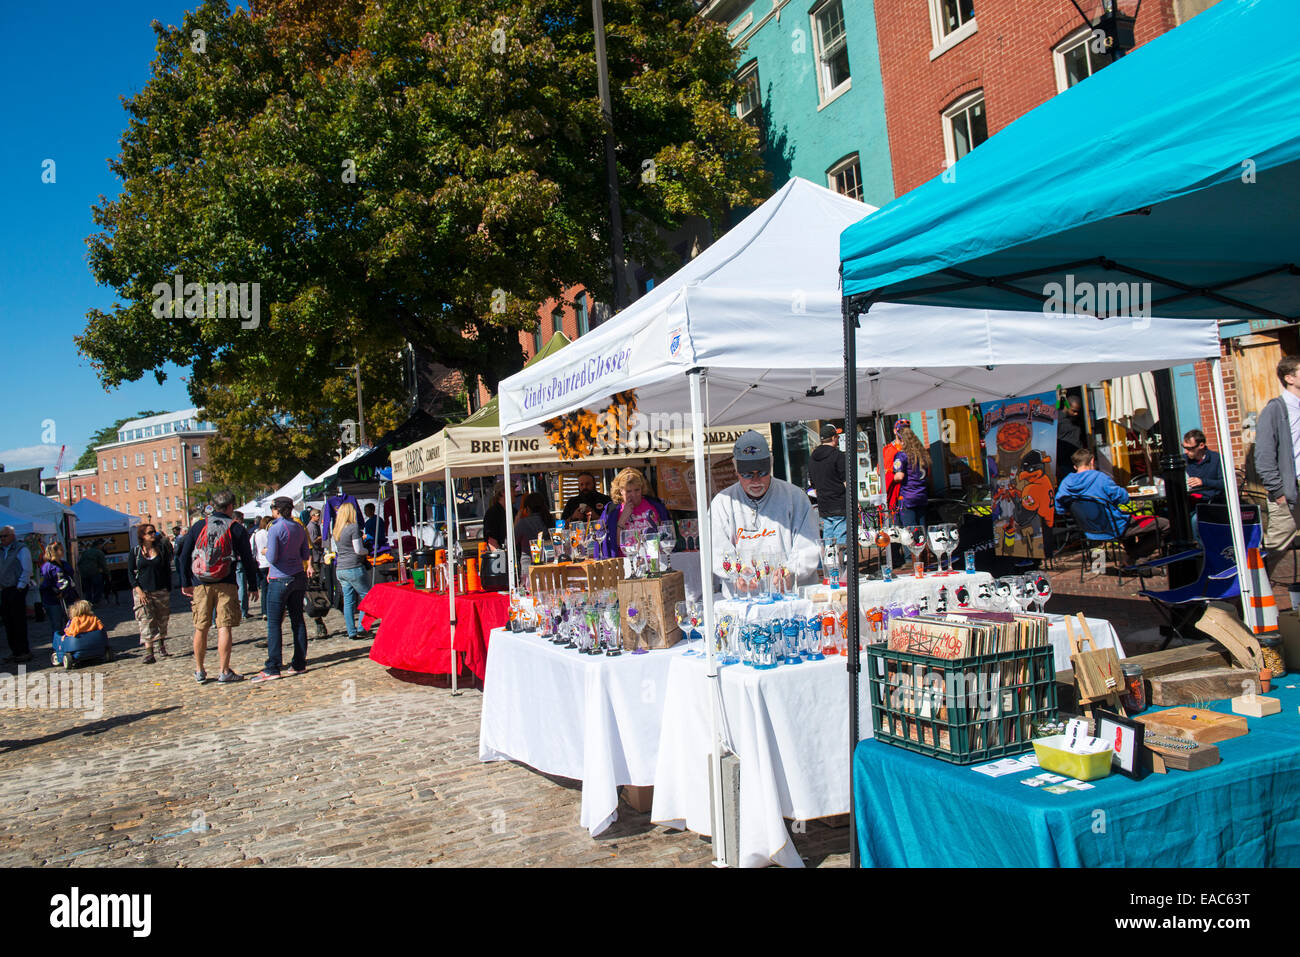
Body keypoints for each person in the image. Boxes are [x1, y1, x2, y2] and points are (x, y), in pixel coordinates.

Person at [710, 430, 820, 597]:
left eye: (762, 472)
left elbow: (809, 545)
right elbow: (716, 550)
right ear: (736, 470)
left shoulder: (795, 497)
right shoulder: (722, 502)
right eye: (747, 474)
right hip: (742, 601)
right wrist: (736, 573)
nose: (755, 480)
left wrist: (791, 571)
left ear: (771, 465)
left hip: (789, 596)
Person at [179, 491, 259, 684]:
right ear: (231, 507)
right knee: (224, 627)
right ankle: (224, 670)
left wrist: (185, 582)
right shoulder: (236, 528)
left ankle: (199, 670)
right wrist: (253, 585)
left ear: (212, 506)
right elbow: (247, 560)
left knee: (201, 627)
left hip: (201, 584)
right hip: (227, 581)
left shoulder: (199, 526)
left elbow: (182, 556)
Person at [1055, 449, 1168, 557]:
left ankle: (1134, 560)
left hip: (1088, 530)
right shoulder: (1100, 478)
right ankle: (1134, 558)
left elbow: (1060, 509)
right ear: (1092, 461)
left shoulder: (1065, 483)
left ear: (1075, 466)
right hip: (1114, 527)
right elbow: (1123, 498)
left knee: (1125, 519)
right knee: (1165, 524)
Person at [253, 496, 313, 682]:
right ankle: (299, 662)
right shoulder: (298, 527)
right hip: (298, 575)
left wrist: (264, 551)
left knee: (274, 622)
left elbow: (271, 557)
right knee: (297, 619)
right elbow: (305, 553)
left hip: (280, 577)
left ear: (276, 509)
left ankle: (273, 666)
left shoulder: (276, 528)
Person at [1255, 355, 1300, 579]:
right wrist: (1278, 490)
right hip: (1290, 493)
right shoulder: (1276, 409)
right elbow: (1263, 456)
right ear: (1289, 377)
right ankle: (1248, 603)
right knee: (1274, 552)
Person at [599, 468, 669, 557]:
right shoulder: (613, 511)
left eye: (637, 490)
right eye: (628, 491)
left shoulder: (655, 505)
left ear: (642, 488)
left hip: (655, 558)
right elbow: (614, 544)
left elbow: (666, 534)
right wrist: (622, 519)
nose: (634, 494)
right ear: (620, 491)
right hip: (627, 561)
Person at [128, 522, 172, 664]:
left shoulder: (161, 550)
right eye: (150, 532)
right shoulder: (135, 552)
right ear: (142, 536)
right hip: (143, 592)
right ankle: (149, 653)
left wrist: (168, 588)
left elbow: (167, 570)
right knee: (146, 621)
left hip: (160, 591)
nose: (153, 534)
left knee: (161, 620)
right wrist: (138, 590)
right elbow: (130, 573)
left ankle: (161, 644)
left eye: (154, 532)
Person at [331, 502, 372, 640]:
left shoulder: (336, 529)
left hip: (341, 568)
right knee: (367, 596)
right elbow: (358, 550)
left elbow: (335, 549)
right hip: (353, 566)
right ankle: (361, 627)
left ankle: (351, 631)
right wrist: (367, 551)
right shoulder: (353, 528)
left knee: (348, 600)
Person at [808, 424, 847, 545]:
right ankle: (841, 563)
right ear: (834, 437)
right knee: (840, 537)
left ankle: (830, 563)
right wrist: (854, 502)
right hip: (839, 503)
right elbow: (846, 482)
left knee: (828, 538)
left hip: (824, 504)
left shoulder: (812, 458)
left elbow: (814, 486)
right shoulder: (838, 455)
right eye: (837, 436)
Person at [0, 526, 33, 664]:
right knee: (8, 621)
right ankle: (15, 651)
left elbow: (27, 569)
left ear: (12, 535)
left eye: (4, 536)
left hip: (17, 588)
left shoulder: (21, 549)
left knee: (18, 620)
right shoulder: (1, 551)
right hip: (5, 589)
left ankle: (23, 651)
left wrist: (20, 587)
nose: (2, 539)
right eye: (0, 537)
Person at [39, 542, 80, 640]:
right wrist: (56, 592)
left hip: (69, 597)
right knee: (57, 624)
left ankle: (70, 642)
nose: (63, 551)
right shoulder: (47, 567)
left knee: (71, 621)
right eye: (61, 549)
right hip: (53, 600)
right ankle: (58, 645)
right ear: (55, 552)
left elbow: (69, 579)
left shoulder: (64, 564)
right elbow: (44, 584)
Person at [893, 424, 930, 526]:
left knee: (910, 532)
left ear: (903, 441)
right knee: (922, 529)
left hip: (908, 497)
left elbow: (899, 476)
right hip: (921, 495)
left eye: (898, 440)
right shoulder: (922, 454)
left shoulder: (902, 455)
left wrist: (891, 476)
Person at [1181, 429, 1225, 506]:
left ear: (1201, 445)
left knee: (1195, 518)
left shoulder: (1216, 459)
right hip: (1187, 502)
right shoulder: (1182, 460)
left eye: (1189, 448)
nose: (1186, 452)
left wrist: (1203, 482)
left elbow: (1224, 483)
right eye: (1184, 447)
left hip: (1210, 502)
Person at [514, 492, 554, 565]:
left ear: (527, 509)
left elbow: (511, 542)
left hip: (529, 565)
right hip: (548, 561)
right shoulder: (549, 519)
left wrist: (517, 520)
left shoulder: (523, 523)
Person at [881, 420, 908, 515]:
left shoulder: (913, 449)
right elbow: (881, 471)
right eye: (900, 430)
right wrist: (892, 472)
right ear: (894, 431)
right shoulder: (887, 450)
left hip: (909, 492)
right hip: (893, 493)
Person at [252, 516, 273, 618]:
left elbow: (253, 548)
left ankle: (264, 610)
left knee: (264, 588)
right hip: (269, 563)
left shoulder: (256, 534)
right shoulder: (270, 533)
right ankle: (270, 609)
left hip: (260, 563)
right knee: (271, 588)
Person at [482, 482, 508, 550]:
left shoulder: (513, 511)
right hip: (501, 556)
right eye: (512, 490)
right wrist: (502, 557)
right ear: (502, 492)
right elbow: (492, 541)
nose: (515, 493)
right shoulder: (493, 513)